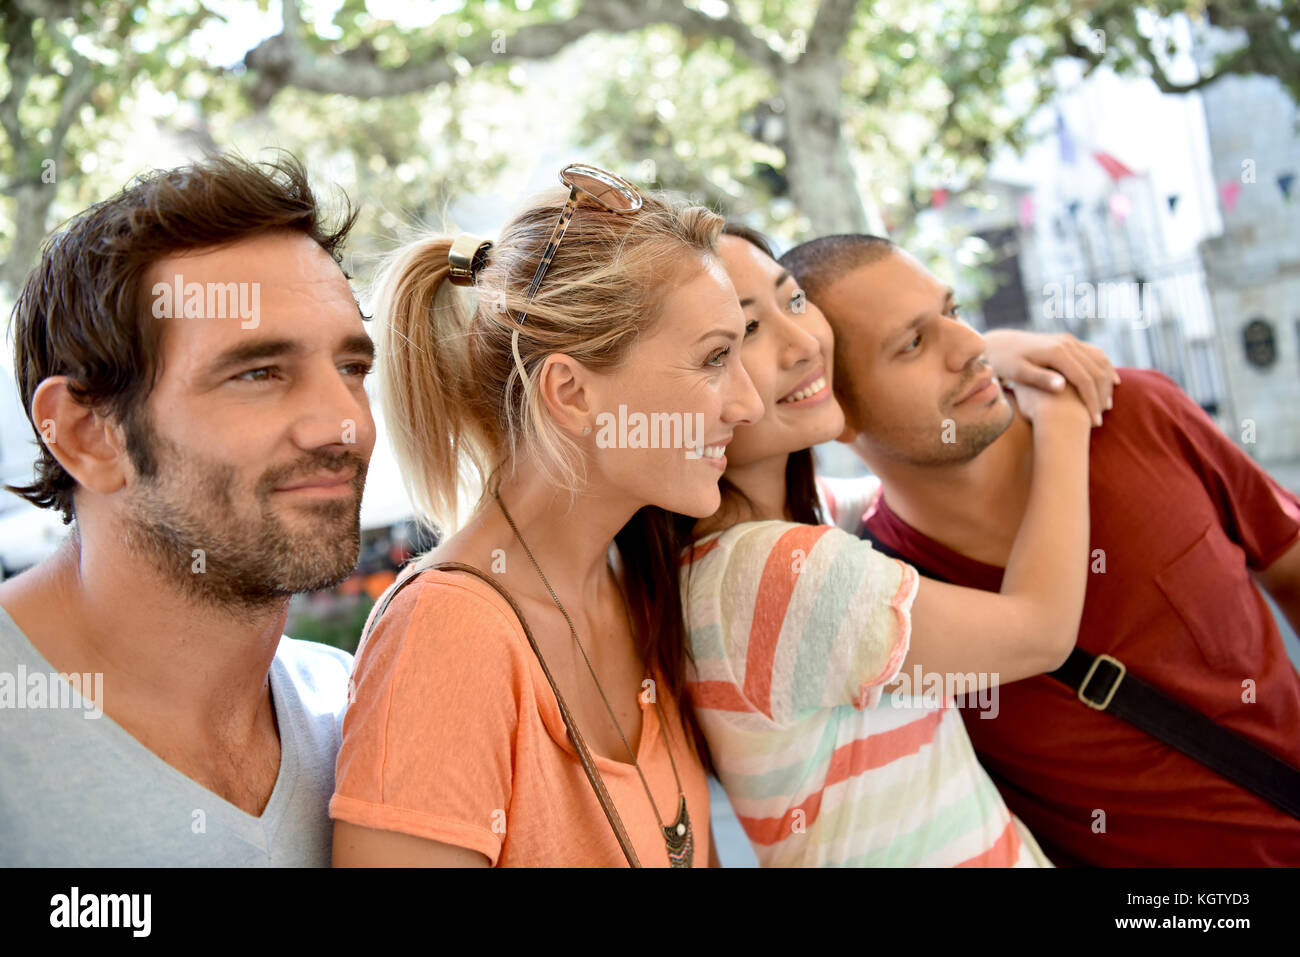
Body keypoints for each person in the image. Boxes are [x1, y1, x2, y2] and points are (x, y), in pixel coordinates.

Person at [780, 233, 1300, 866]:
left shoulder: (1135, 411)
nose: (970, 345)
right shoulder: (886, 607)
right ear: (838, 412)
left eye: (953, 312)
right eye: (913, 343)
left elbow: (1290, 569)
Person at [330, 165, 764, 867]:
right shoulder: (447, 634)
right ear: (571, 392)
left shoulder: (634, 584)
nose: (747, 403)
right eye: (714, 359)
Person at [651, 224, 1109, 866]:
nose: (802, 341)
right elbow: (1040, 631)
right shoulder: (772, 572)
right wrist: (1061, 419)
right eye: (747, 332)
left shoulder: (767, 546)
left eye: (794, 301)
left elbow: (898, 481)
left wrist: (981, 354)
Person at [0, 153, 373, 866]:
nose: (344, 422)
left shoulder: (354, 713)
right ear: (87, 434)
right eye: (260, 372)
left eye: (352, 367)